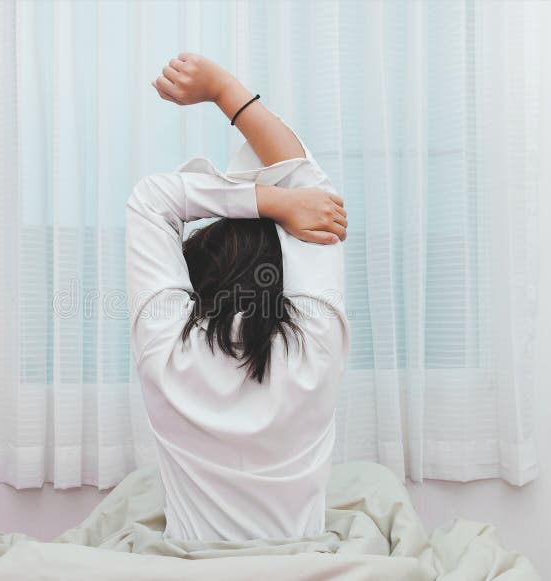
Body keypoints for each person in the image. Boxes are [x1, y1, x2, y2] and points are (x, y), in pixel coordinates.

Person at [125, 53, 350, 542]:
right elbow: (311, 190)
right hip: (298, 569)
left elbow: (151, 199)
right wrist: (224, 89)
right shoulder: (317, 344)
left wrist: (272, 203)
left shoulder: (165, 351)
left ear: (196, 286)